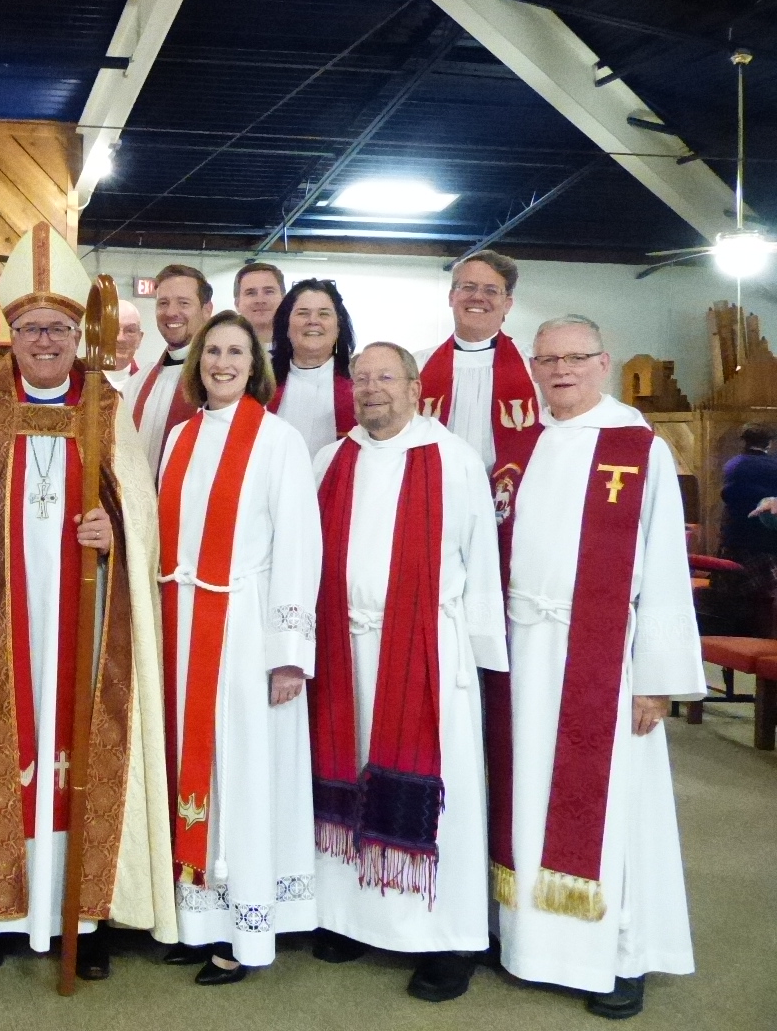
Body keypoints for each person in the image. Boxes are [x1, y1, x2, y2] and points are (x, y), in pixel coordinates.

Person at [0, 226, 176, 979]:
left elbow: (142, 519)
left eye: (56, 328)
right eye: (30, 329)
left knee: (84, 745)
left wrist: (115, 533)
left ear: (77, 334)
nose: (44, 341)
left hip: (88, 618)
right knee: (0, 745)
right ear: (9, 336)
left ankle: (85, 915)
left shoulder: (106, 408)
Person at [490, 315, 703, 1020]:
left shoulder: (638, 448)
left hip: (603, 660)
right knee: (525, 791)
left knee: (614, 806)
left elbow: (665, 568)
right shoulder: (525, 445)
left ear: (603, 363)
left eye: (575, 358)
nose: (561, 371)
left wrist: (657, 677)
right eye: (547, 359)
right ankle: (526, 942)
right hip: (525, 651)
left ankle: (619, 955)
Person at [307, 343, 506, 1003]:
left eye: (386, 377)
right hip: (345, 650)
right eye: (362, 378)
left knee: (443, 796)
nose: (372, 389)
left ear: (416, 387)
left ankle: (449, 938)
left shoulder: (452, 459)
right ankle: (353, 919)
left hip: (427, 654)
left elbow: (481, 562)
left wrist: (477, 658)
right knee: (348, 775)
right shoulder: (332, 459)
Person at [155, 313, 320, 984]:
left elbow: (299, 544)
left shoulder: (277, 440)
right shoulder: (181, 437)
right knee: (190, 765)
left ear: (256, 367)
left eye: (236, 353)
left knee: (242, 771)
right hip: (183, 620)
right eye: (213, 351)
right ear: (198, 361)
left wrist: (289, 651)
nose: (223, 363)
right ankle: (196, 917)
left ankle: (244, 931)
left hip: (245, 627)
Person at [417, 250, 539, 478]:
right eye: (468, 287)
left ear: (507, 304)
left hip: (512, 489)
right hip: (436, 488)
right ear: (451, 296)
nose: (478, 297)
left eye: (491, 290)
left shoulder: (536, 364)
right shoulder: (416, 366)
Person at [128, 264, 214, 476]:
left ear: (207, 310)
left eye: (183, 303)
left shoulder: (219, 380)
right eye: (163, 303)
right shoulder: (138, 382)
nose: (171, 312)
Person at [268, 279, 356, 458]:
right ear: (286, 325)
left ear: (338, 326)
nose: (313, 321)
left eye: (324, 314)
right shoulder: (261, 382)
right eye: (303, 313)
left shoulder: (358, 383)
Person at [719, 425, 777, 628]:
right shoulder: (774, 466)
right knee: (763, 600)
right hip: (766, 544)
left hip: (734, 540)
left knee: (733, 597)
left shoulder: (732, 465)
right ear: (769, 443)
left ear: (744, 441)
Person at [233, 262, 285, 356]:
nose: (260, 300)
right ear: (237, 303)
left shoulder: (302, 349)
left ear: (284, 299)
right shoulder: (222, 350)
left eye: (269, 292)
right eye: (251, 293)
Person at [105, 299, 144, 392]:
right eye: (112, 329)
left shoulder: (148, 386)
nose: (120, 338)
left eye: (130, 330)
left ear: (139, 338)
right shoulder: (77, 379)